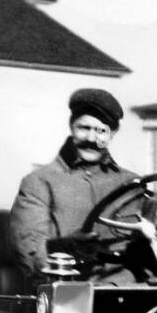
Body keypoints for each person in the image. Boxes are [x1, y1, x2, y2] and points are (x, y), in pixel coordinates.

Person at [9, 88, 142, 278]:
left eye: (101, 131)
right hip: (72, 290)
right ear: (71, 126)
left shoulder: (132, 184)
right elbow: (29, 253)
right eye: (84, 128)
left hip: (132, 290)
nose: (90, 139)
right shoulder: (39, 182)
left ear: (113, 133)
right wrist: (68, 246)